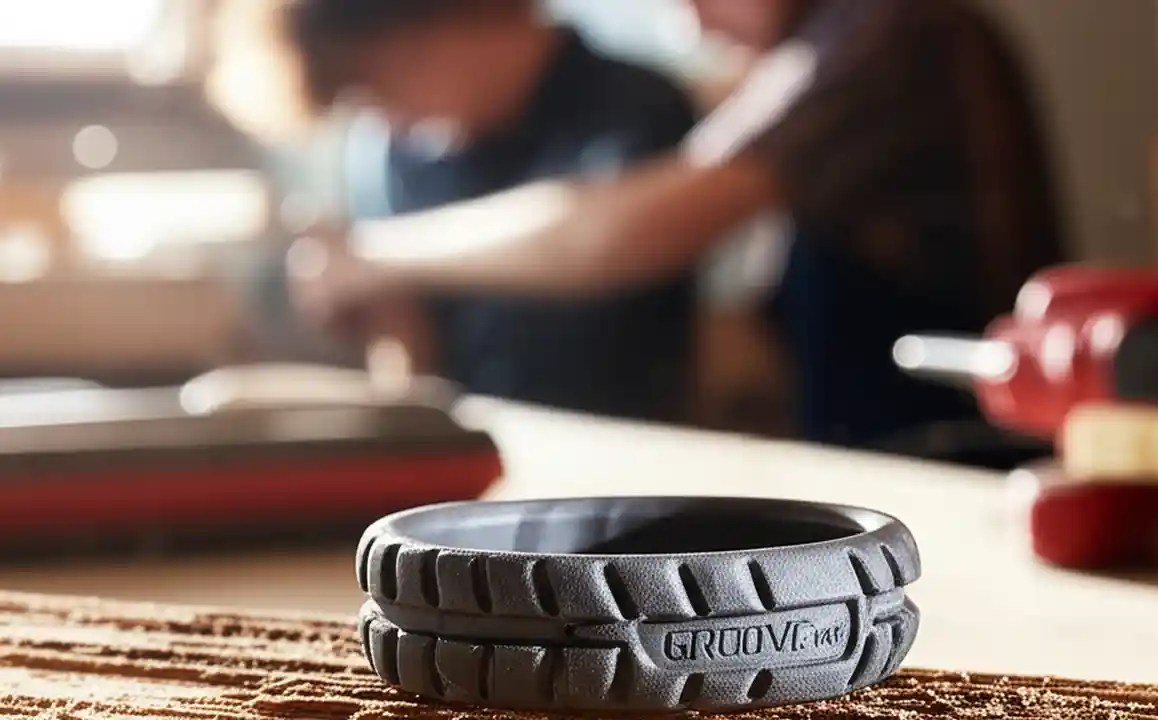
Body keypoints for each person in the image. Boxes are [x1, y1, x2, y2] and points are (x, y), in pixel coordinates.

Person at [292, 0, 1064, 449]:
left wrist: (376, 254)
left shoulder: (890, 33)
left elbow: (622, 232)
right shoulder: (835, 48)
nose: (691, 17)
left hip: (959, 451)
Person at [223, 0, 698, 421]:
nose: (388, 114)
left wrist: (373, 257)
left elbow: (597, 239)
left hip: (621, 445)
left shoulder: (634, 107)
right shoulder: (390, 153)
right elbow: (413, 376)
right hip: (465, 456)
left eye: (381, 80)